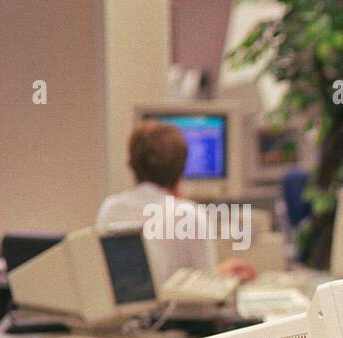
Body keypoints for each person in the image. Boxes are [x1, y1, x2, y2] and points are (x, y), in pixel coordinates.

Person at [95, 121, 256, 286]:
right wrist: (224, 274)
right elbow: (207, 289)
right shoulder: (188, 213)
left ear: (132, 163)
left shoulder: (110, 208)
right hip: (177, 311)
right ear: (181, 166)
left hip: (123, 312)